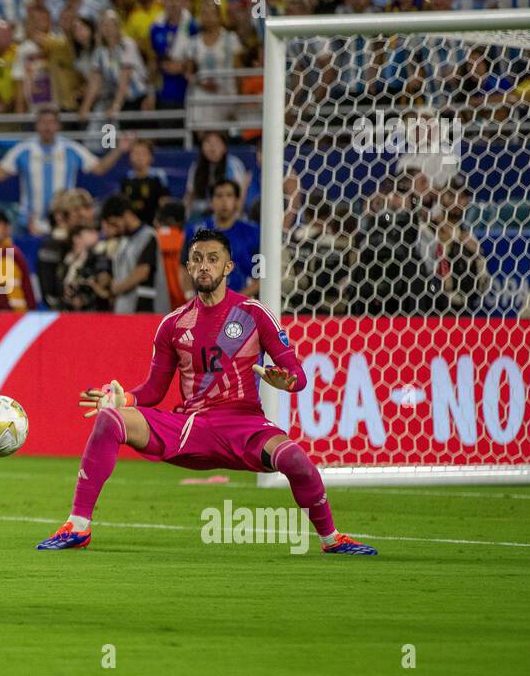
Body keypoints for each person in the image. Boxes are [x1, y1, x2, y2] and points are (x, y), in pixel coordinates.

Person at [36, 228, 377, 556]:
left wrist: (287, 381)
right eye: (197, 258)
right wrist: (122, 400)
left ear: (228, 267)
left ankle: (331, 538)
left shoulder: (254, 314)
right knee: (110, 420)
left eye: (213, 259)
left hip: (243, 426)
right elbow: (154, 390)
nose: (204, 265)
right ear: (188, 267)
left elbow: (296, 373)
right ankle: (77, 526)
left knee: (295, 460)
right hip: (190, 427)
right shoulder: (172, 324)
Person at [0, 107, 126, 235]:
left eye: (51, 123)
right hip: (28, 223)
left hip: (65, 222)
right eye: (43, 123)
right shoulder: (23, 150)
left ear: (58, 125)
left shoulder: (71, 149)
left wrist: (119, 150)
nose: (47, 127)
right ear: (36, 125)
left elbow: (99, 168)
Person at [100, 195, 167, 313]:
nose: (115, 228)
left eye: (115, 223)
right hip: (125, 309)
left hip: (145, 310)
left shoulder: (148, 236)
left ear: (126, 215)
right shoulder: (124, 241)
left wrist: (116, 289)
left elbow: (142, 272)